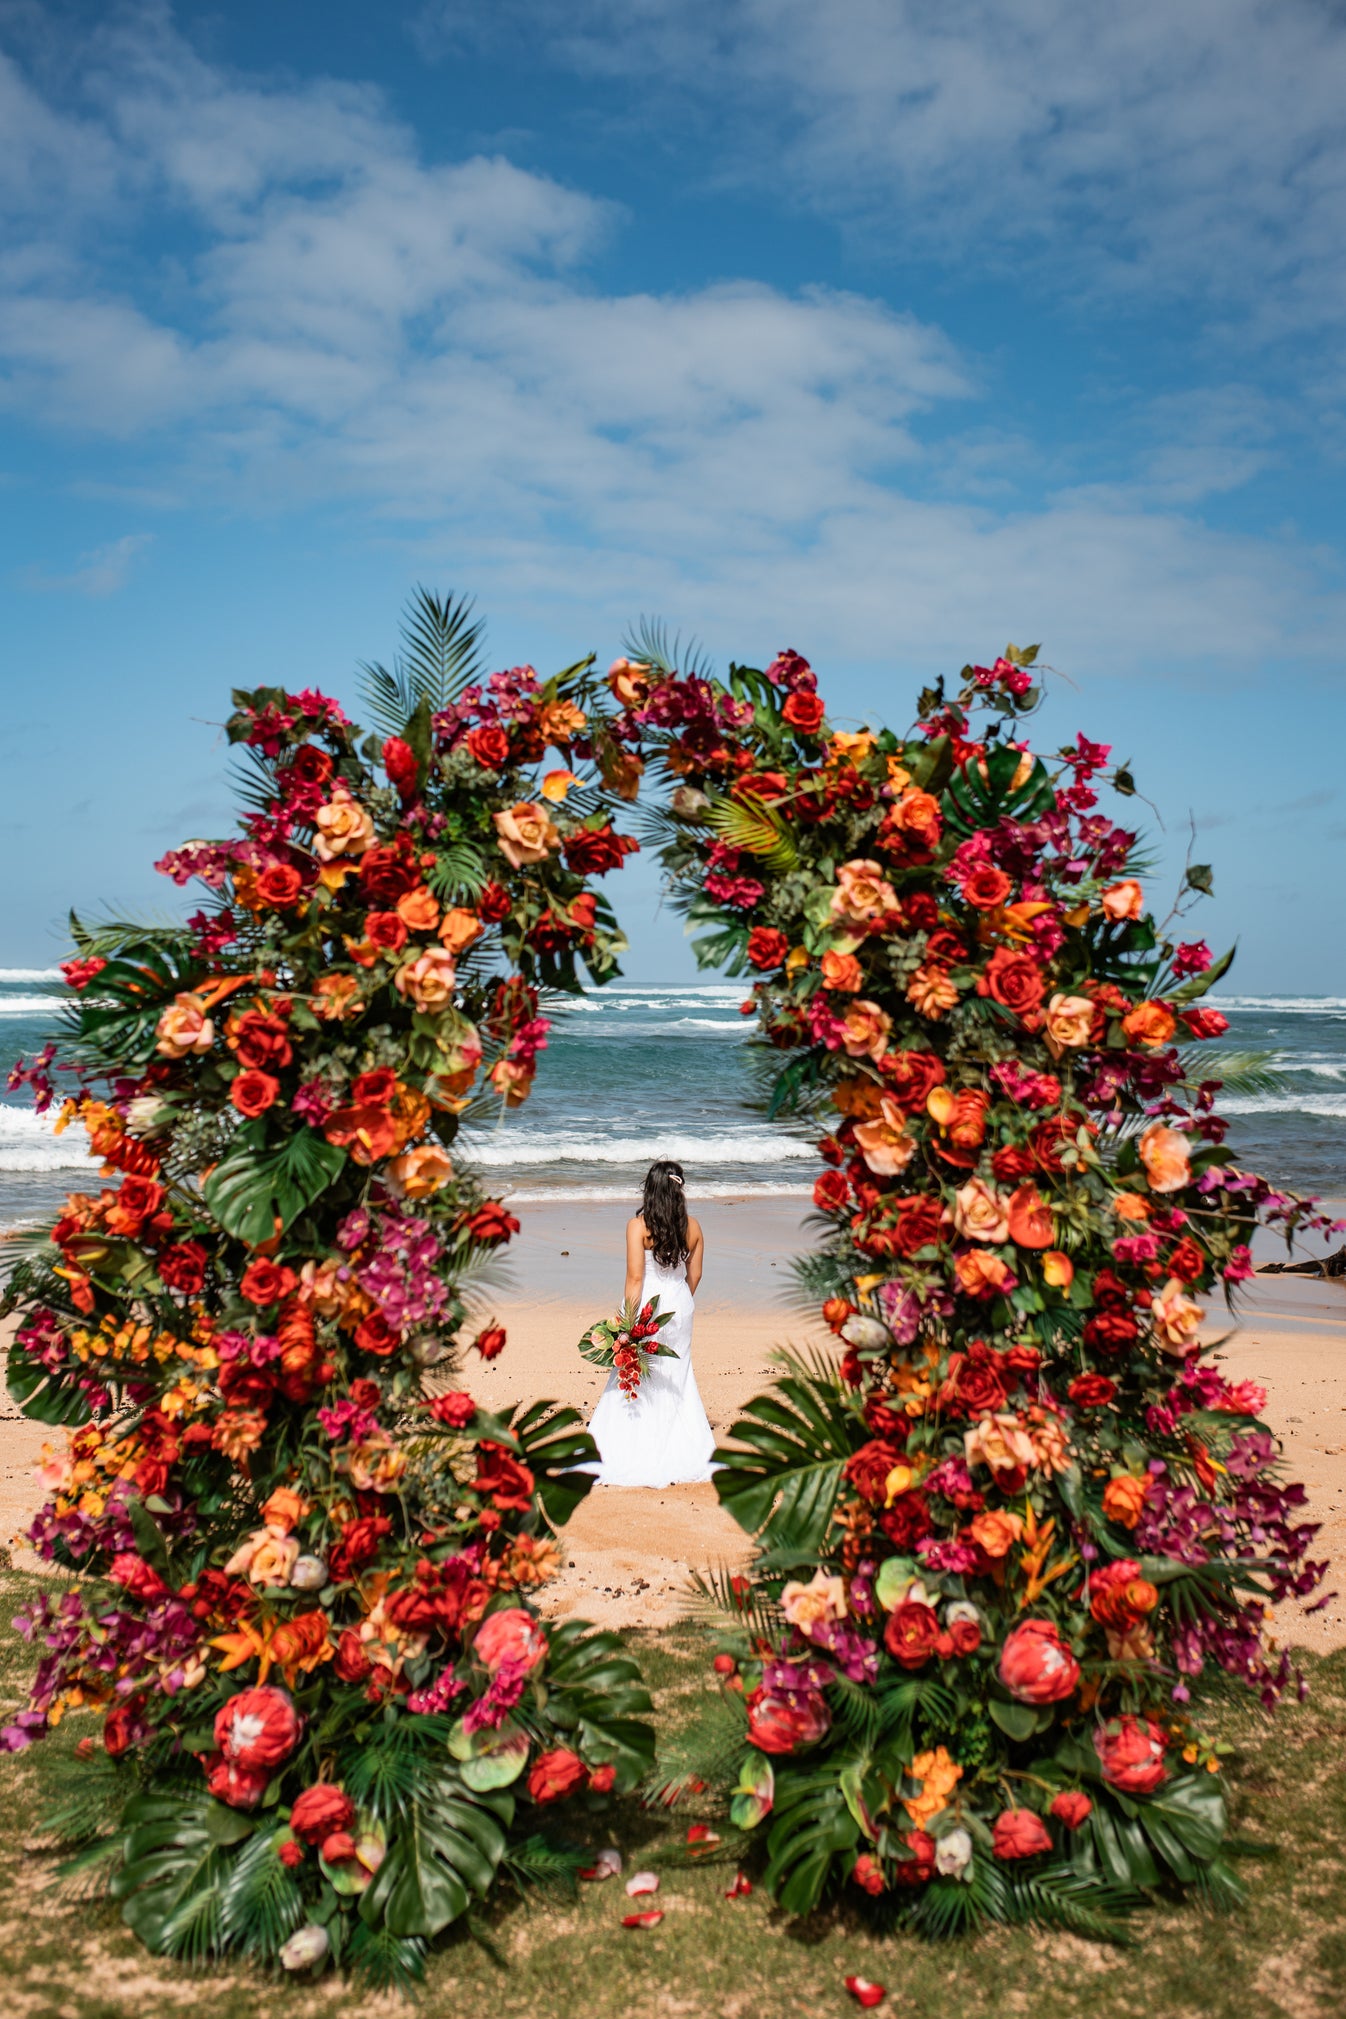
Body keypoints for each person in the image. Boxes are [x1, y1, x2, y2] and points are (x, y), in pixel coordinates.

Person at [584, 1159, 717, 1486]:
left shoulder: (638, 1227)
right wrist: (679, 1300)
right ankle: (679, 1446)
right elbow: (696, 1274)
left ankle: (635, 1443)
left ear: (650, 1190)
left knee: (638, 1372)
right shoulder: (694, 1227)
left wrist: (626, 1324)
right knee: (677, 1374)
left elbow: (634, 1278)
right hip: (679, 1305)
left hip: (647, 1307)